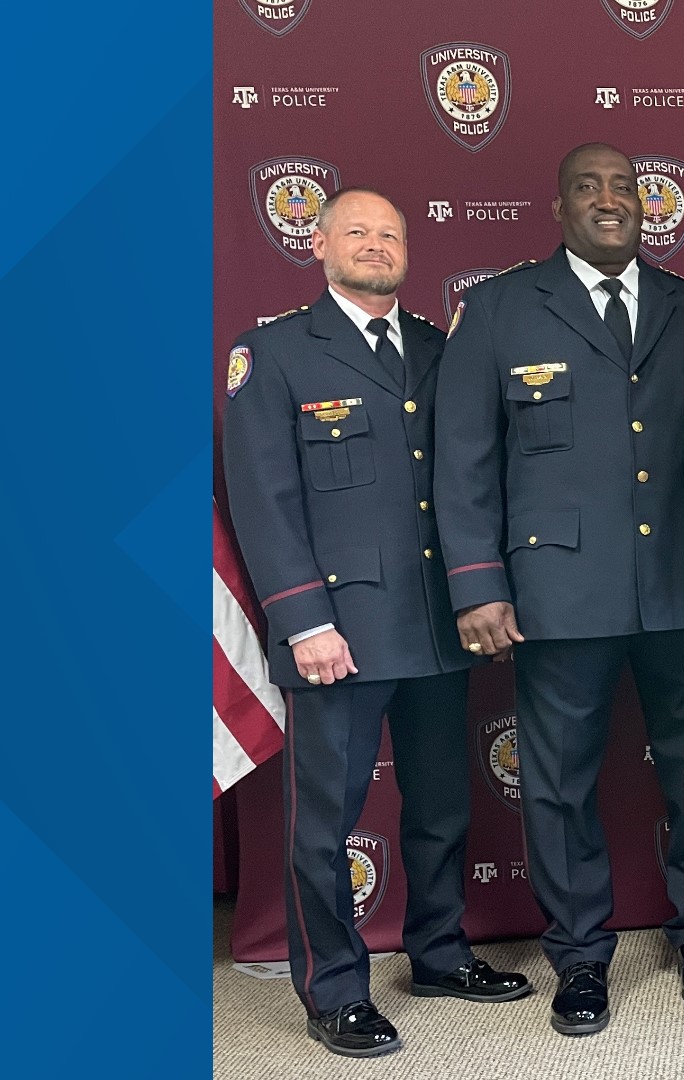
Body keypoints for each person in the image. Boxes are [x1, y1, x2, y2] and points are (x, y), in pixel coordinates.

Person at [433, 143, 684, 1035]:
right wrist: (477, 584)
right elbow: (464, 459)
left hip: (683, 579)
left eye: (625, 187)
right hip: (557, 590)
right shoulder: (497, 309)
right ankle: (578, 954)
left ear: (647, 204)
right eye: (588, 187)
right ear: (559, 207)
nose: (610, 200)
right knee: (559, 780)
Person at [222, 188, 530, 1059]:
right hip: (338, 633)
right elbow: (263, 501)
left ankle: (438, 952)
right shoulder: (273, 353)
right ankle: (334, 990)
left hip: (434, 623)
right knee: (325, 823)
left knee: (441, 806)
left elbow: (468, 478)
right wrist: (303, 622)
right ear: (318, 243)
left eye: (389, 234)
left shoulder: (438, 349)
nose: (374, 245)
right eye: (356, 231)